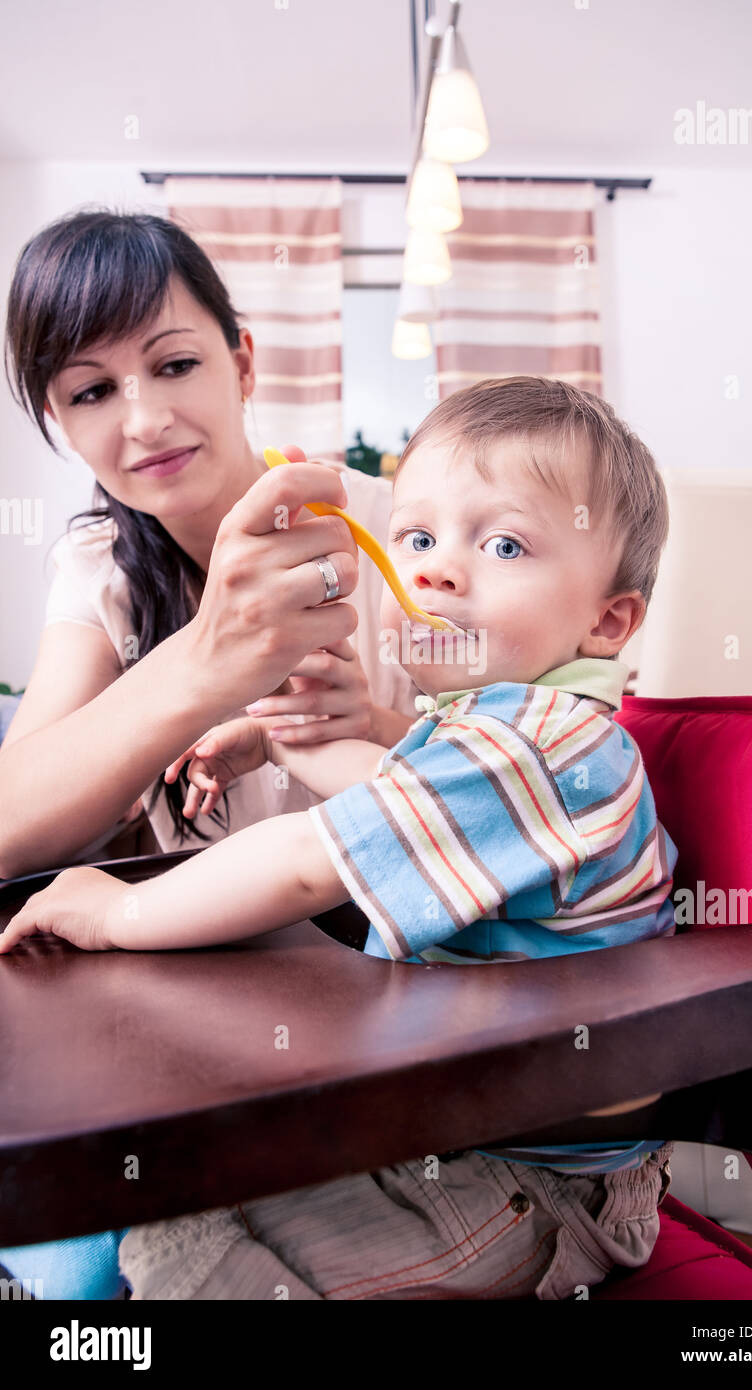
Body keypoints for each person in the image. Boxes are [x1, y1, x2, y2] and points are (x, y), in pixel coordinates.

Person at [1, 375, 678, 1301]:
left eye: (506, 543)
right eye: (420, 537)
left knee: (173, 1244)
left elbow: (304, 860)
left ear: (608, 620)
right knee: (184, 1186)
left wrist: (115, 908)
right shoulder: (498, 728)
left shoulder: (538, 742)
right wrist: (281, 739)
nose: (438, 570)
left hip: (536, 1185)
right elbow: (391, 793)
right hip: (469, 1133)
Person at [0, 208, 420, 1297]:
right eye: (90, 391)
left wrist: (373, 726)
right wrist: (205, 661)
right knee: (76, 1269)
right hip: (175, 1024)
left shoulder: (388, 531)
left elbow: (504, 775)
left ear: (240, 361)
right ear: (57, 417)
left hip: (385, 1017)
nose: (142, 420)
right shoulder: (102, 563)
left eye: (174, 363)